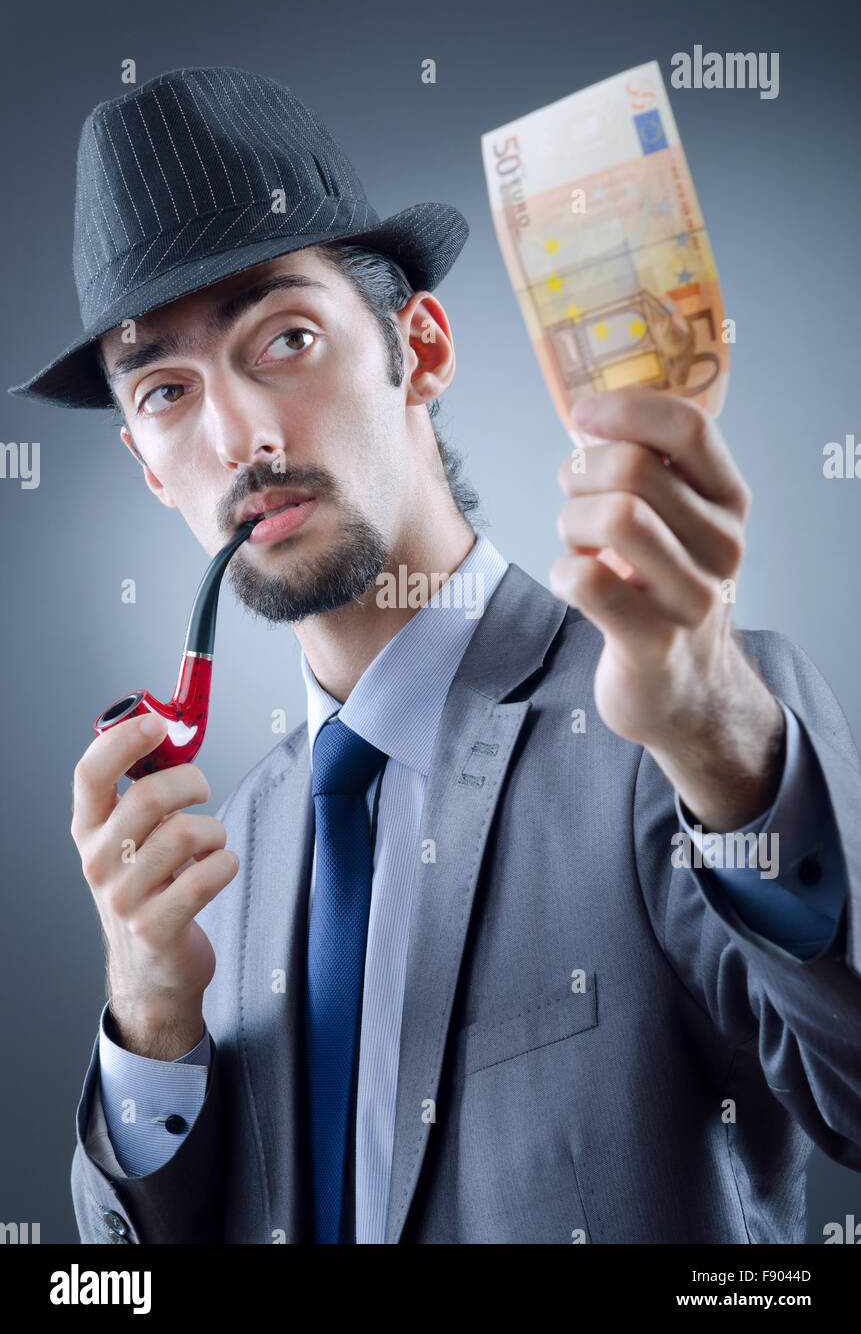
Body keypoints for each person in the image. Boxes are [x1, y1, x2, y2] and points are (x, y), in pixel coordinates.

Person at [10, 65, 861, 1245]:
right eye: (165, 391)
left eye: (286, 337)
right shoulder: (218, 865)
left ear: (420, 346)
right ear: (148, 466)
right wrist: (151, 1018)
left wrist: (719, 737)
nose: (240, 435)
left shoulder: (696, 735)